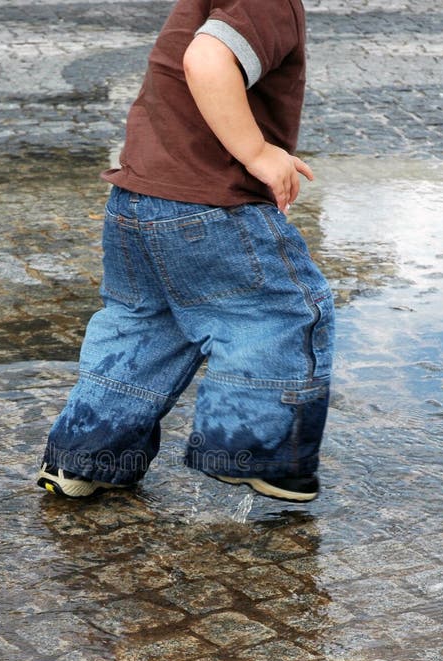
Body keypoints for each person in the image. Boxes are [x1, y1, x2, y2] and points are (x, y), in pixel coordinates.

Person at [37, 0, 335, 502]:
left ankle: (85, 458)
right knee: (280, 312)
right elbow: (207, 60)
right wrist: (258, 153)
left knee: (146, 327)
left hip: (135, 200)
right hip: (212, 206)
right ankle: (251, 450)